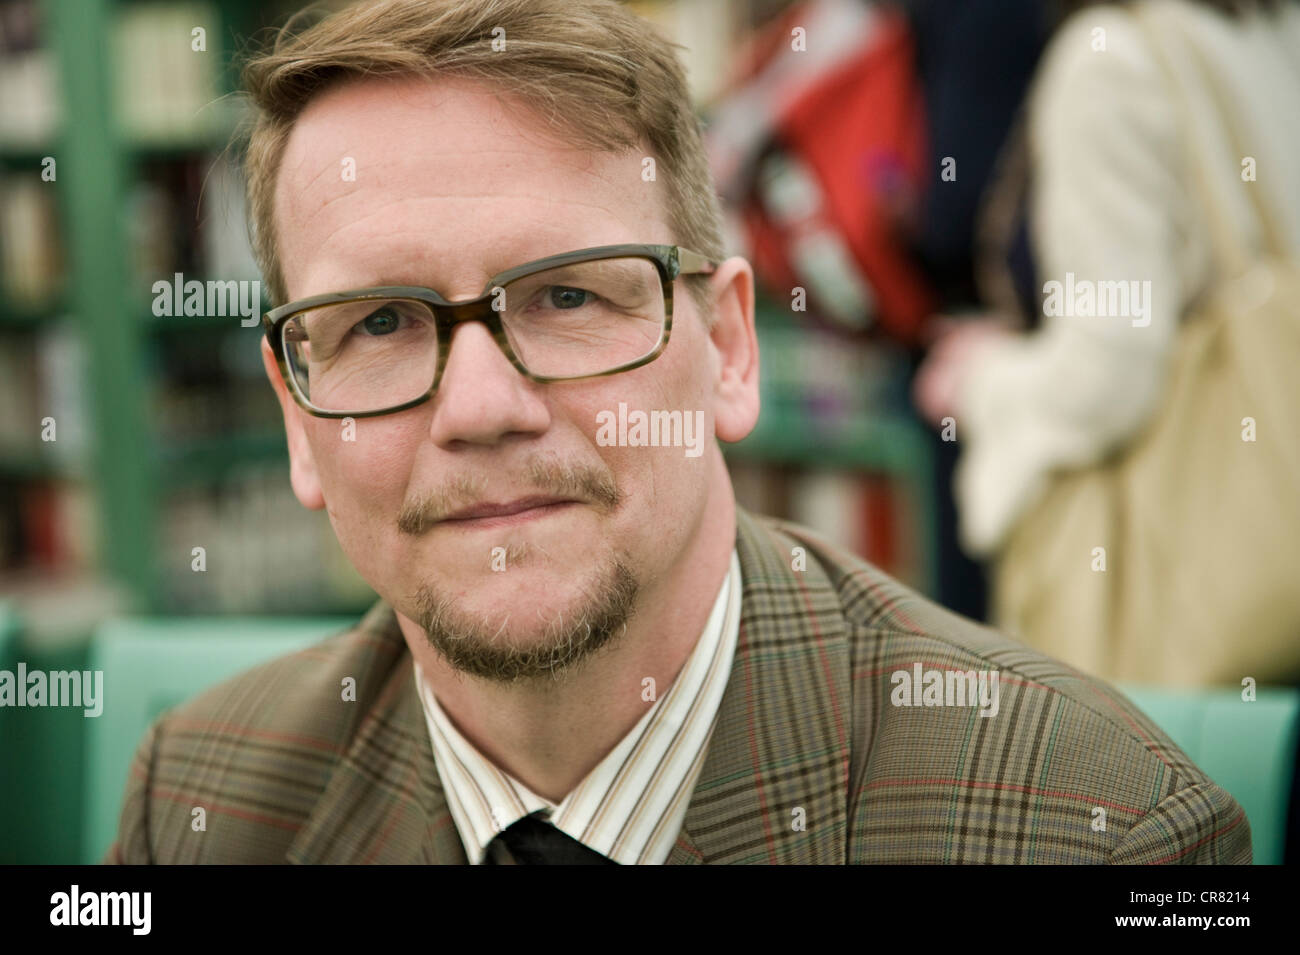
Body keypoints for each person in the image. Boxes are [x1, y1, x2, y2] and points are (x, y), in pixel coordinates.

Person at [104, 0, 1249, 864]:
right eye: (382, 324)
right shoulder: (194, 804)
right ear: (297, 420)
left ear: (730, 349)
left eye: (566, 298)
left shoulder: (1100, 832)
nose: (482, 408)